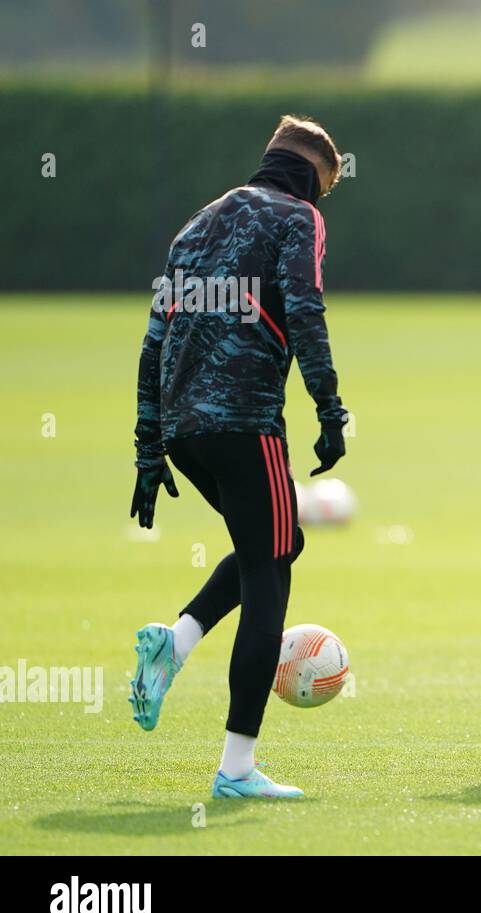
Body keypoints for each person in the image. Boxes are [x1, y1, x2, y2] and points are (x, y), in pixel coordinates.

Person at [129, 115, 350, 799]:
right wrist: (329, 407)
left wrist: (146, 445)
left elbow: (153, 339)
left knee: (275, 545)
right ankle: (236, 770)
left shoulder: (195, 225)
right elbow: (305, 309)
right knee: (270, 578)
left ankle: (178, 639)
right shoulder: (298, 216)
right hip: (247, 423)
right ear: (315, 176)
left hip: (183, 431)